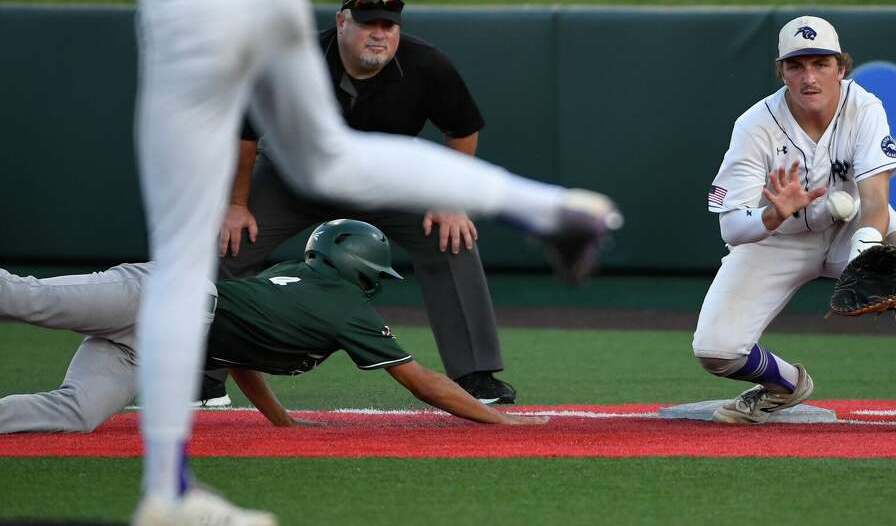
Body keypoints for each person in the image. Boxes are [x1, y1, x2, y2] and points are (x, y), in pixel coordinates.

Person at [0, 0, 619, 523]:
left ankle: (170, 491)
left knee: (185, 264)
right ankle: (548, 206)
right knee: (335, 159)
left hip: (185, 4)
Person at [208, 0, 514, 407]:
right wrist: (237, 205)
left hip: (384, 180)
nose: (379, 34)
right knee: (227, 244)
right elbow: (246, 132)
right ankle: (203, 377)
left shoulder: (427, 65)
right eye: (368, 22)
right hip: (296, 175)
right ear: (341, 22)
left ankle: (475, 376)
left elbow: (462, 131)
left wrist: (449, 200)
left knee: (450, 237)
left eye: (388, 25)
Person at [0, 220, 548, 434]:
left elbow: (241, 353)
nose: (374, 283)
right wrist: (496, 422)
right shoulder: (345, 307)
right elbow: (419, 379)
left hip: (156, 345)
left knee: (76, 413)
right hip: (163, 296)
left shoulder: (292, 275)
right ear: (354, 264)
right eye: (372, 271)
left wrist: (282, 420)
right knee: (28, 298)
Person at [691, 15, 896, 429]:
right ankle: (784, 384)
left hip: (849, 227)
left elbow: (876, 198)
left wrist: (866, 250)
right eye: (797, 65)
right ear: (781, 71)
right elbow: (731, 228)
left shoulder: (865, 107)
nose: (809, 77)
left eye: (820, 63)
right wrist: (773, 213)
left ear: (841, 67)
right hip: (777, 238)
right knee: (715, 350)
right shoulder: (754, 125)